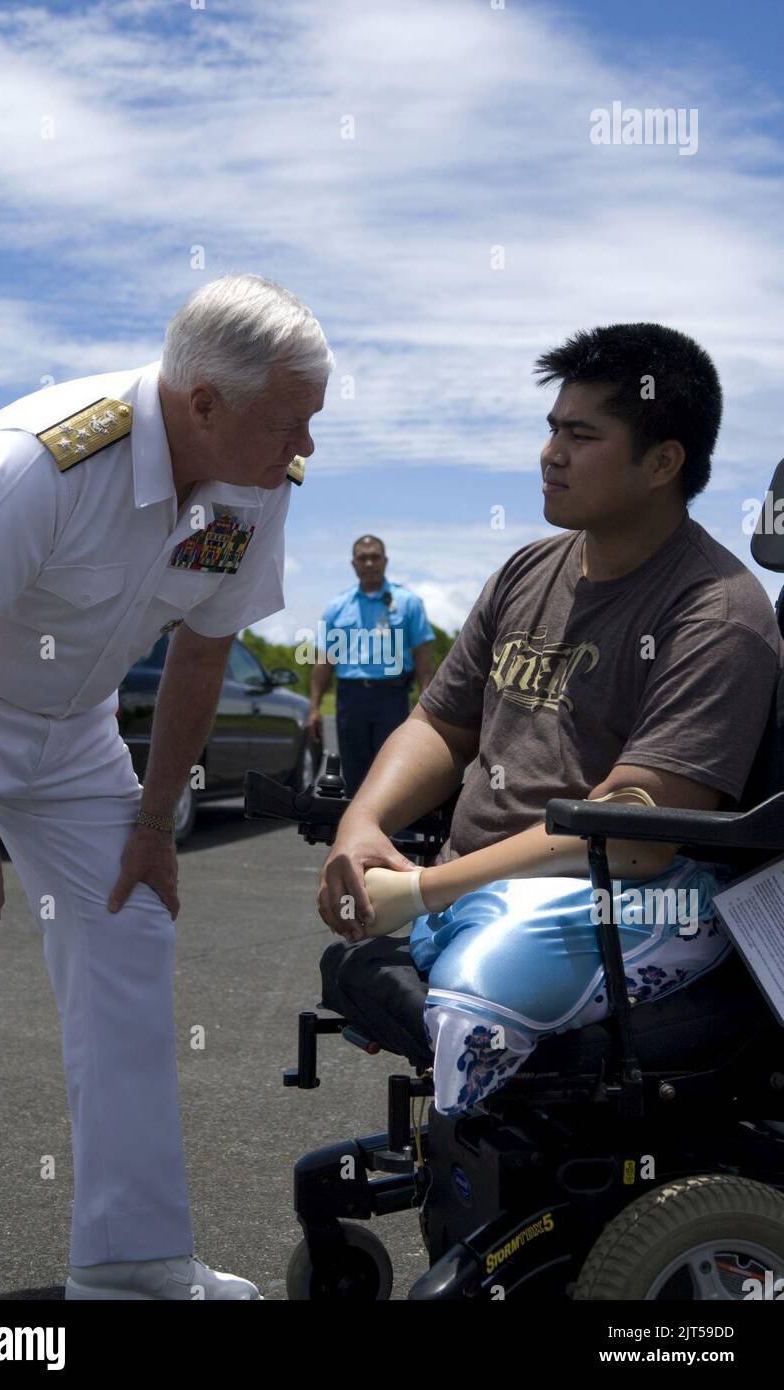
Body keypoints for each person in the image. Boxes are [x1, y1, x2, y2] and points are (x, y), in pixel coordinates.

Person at [0, 273, 333, 1301]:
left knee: (133, 937)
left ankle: (131, 1260)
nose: (304, 449)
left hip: (78, 737)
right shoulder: (45, 463)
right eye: (289, 423)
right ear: (203, 404)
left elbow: (202, 649)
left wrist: (153, 822)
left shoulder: (253, 483)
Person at [316, 322, 784, 1114]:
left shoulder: (719, 612)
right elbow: (439, 724)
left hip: (629, 894)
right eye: (551, 429)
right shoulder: (528, 569)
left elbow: (635, 838)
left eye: (582, 433)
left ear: (663, 461)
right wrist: (361, 827)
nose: (551, 453)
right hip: (472, 886)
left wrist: (424, 889)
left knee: (471, 1002)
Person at [307, 535, 435, 795]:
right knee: (354, 769)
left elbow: (423, 656)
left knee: (394, 766)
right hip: (350, 697)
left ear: (385, 561)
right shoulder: (337, 607)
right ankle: (356, 828)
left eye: (374, 557)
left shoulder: (408, 602)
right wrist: (314, 708)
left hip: (393, 696)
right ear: (353, 564)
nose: (369, 563)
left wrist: (427, 702)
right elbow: (324, 661)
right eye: (362, 558)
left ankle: (397, 832)